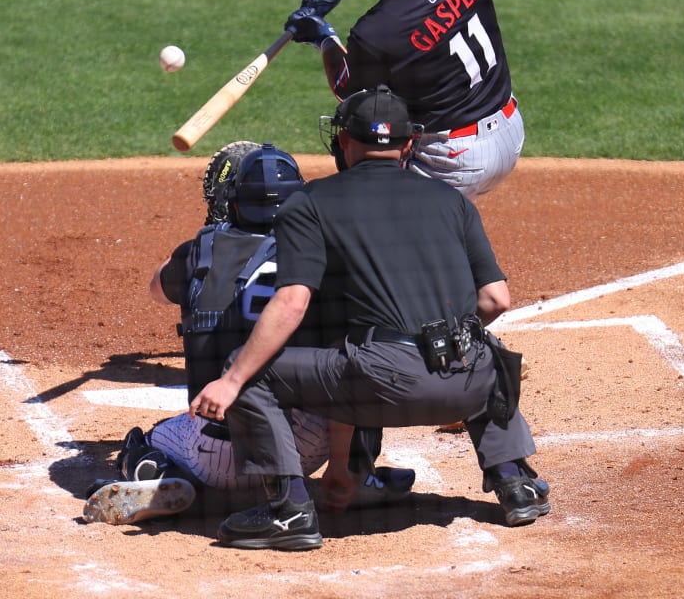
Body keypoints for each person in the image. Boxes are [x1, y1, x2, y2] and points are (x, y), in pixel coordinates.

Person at [191, 87, 550, 551]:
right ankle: (514, 483)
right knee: (488, 351)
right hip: (467, 385)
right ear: (408, 145)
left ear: (343, 142)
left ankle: (289, 512)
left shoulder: (312, 202)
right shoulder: (452, 200)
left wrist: (232, 380)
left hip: (379, 386)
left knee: (249, 368)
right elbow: (496, 300)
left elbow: (293, 303)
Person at [82, 142, 413, 526]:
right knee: (360, 358)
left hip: (214, 447)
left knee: (149, 438)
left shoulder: (200, 253)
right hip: (308, 447)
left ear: (234, 203)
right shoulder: (327, 256)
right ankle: (358, 475)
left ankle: (155, 470)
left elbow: (157, 287)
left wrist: (209, 239)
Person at [285, 0, 523, 199]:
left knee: (364, 166)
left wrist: (322, 37)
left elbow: (346, 90)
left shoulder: (377, 32)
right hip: (511, 130)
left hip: (453, 163)